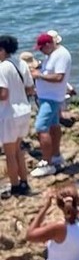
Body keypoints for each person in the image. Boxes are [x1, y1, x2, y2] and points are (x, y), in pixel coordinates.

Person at [31, 32, 72, 177]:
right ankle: (55, 155)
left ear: (48, 45)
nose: (41, 51)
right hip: (46, 96)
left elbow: (59, 77)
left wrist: (39, 75)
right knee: (54, 126)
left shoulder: (61, 55)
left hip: (51, 97)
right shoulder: (52, 54)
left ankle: (46, 162)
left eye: (41, 48)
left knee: (41, 127)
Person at [0, 34, 33, 198]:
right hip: (24, 111)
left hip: (9, 113)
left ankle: (14, 186)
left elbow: (3, 94)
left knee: (9, 153)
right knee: (18, 149)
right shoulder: (22, 63)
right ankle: (24, 182)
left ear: (2, 50)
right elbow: (30, 89)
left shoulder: (2, 67)